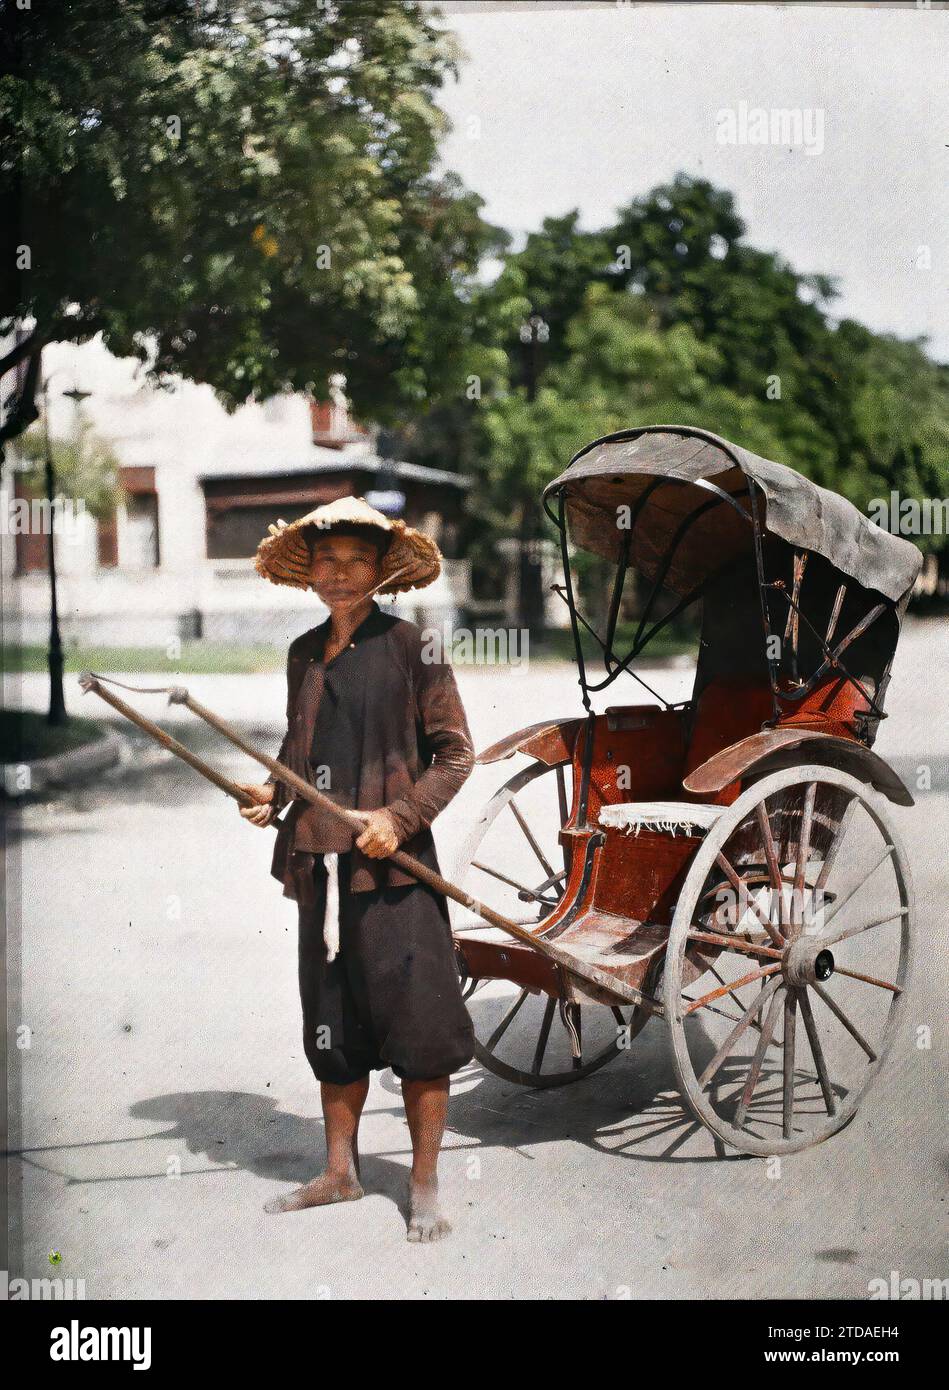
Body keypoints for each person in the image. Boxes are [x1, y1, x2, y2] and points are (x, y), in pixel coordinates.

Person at [237, 496, 475, 1242]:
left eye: (355, 560)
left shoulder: (413, 646)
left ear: (381, 571)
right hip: (321, 867)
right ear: (308, 573)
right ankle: (340, 1172)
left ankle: (425, 1184)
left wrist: (396, 817)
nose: (339, 573)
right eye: (326, 560)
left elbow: (456, 752)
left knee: (417, 1024)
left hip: (393, 868)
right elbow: (297, 742)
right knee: (330, 1022)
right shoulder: (304, 651)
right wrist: (270, 790)